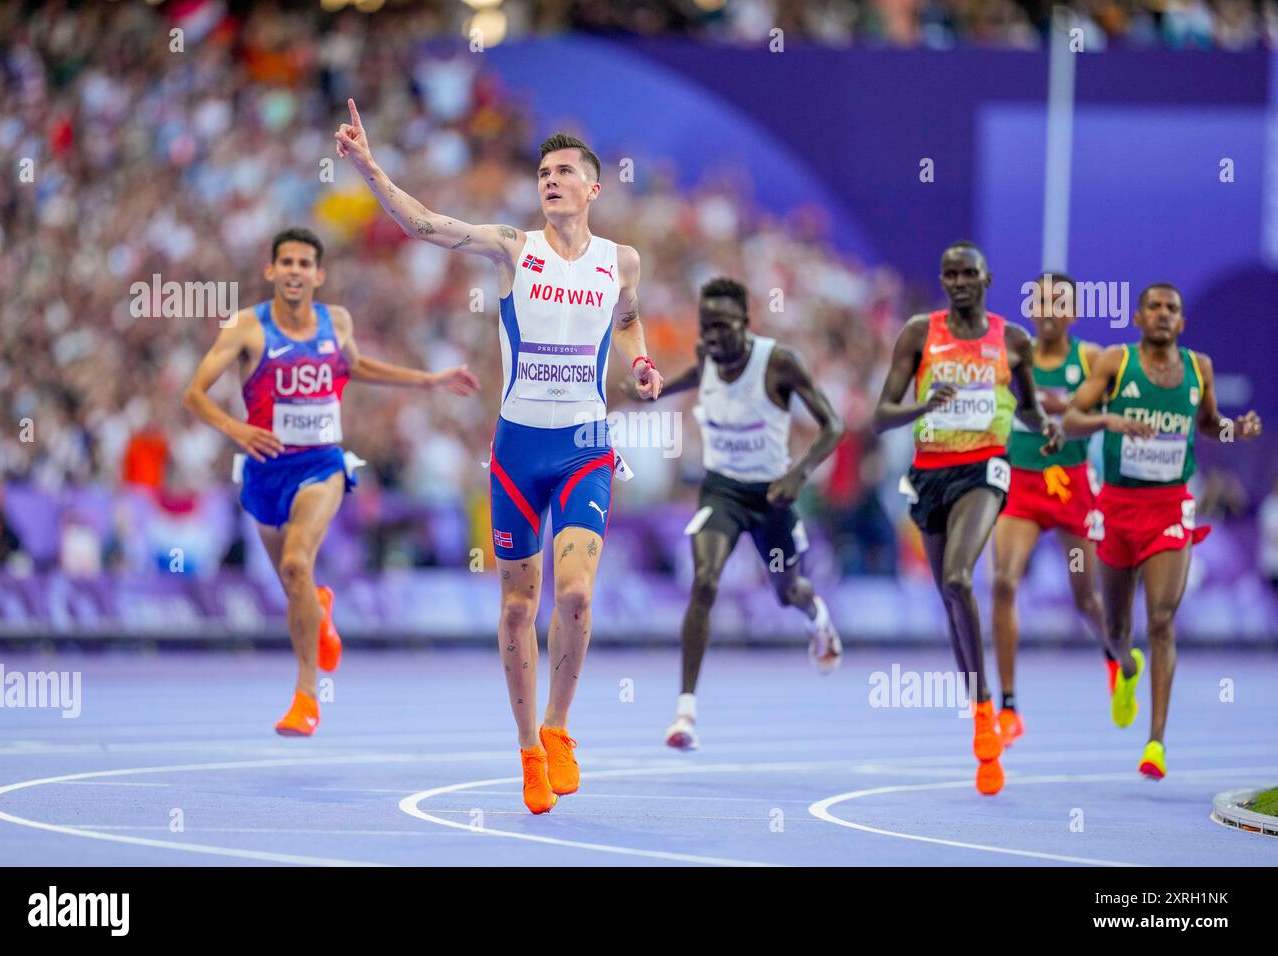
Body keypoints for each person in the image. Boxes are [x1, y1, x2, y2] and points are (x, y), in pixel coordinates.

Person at [336, 100, 663, 813]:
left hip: (584, 446)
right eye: (543, 171)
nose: (551, 180)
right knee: (519, 608)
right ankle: (525, 752)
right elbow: (424, 226)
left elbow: (630, 321)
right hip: (517, 452)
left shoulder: (621, 261)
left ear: (592, 188)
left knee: (574, 592)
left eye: (565, 171)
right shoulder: (515, 248)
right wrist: (369, 167)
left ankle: (559, 729)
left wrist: (640, 366)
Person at [182, 227, 479, 736]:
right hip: (264, 470)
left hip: (322, 465)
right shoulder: (245, 329)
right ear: (271, 271)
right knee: (291, 583)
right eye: (287, 262)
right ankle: (319, 609)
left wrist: (427, 381)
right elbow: (194, 394)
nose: (295, 271)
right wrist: (236, 428)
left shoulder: (335, 321)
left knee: (298, 563)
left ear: (318, 275)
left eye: (305, 264)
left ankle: (305, 696)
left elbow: (356, 366)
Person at [622, 277, 844, 750]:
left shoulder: (779, 363)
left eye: (723, 327)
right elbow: (680, 381)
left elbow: (833, 426)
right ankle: (685, 713)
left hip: (773, 498)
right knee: (704, 581)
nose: (713, 337)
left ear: (747, 323)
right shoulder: (707, 357)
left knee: (788, 591)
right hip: (721, 493)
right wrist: (646, 388)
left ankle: (816, 615)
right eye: (706, 327)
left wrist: (798, 476)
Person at [872, 242, 1060, 795]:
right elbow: (882, 416)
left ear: (987, 278)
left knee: (959, 577)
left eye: (968, 273)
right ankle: (981, 710)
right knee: (950, 599)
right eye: (948, 272)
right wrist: (924, 407)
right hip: (930, 475)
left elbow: (1025, 407)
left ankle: (986, 715)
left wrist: (1046, 423)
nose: (958, 281)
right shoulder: (918, 333)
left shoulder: (1014, 341)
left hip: (985, 469)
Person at [1062, 283, 1262, 778]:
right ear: (1138, 317)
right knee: (1115, 628)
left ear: (1182, 323)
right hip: (1117, 507)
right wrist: (1112, 419)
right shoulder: (1114, 361)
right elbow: (1069, 418)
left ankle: (1155, 744)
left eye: (1172, 308)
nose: (1163, 314)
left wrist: (1239, 430)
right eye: (1154, 306)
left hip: (1171, 508)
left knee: (1161, 621)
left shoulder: (1199, 368)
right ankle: (1125, 667)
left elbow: (1212, 424)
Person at [991, 271, 1113, 747]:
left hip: (1069, 486)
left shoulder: (1091, 358)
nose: (1049, 311)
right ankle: (1008, 706)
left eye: (1059, 304)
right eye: (1041, 302)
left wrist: (1064, 410)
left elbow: (1097, 416)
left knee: (1086, 599)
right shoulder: (1009, 355)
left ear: (1074, 313)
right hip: (1020, 485)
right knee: (1004, 582)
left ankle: (1113, 653)